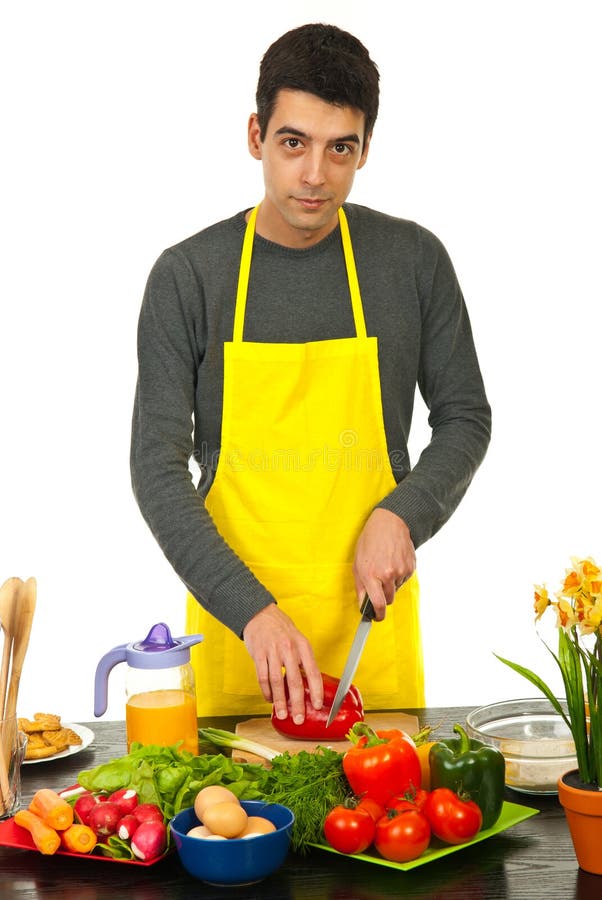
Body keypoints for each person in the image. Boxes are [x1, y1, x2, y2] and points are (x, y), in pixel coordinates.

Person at [130, 23, 491, 724]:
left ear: (365, 150)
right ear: (255, 135)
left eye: (340, 148)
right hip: (241, 646)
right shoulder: (189, 277)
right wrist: (253, 614)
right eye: (294, 142)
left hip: (370, 640)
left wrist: (402, 514)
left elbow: (466, 416)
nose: (315, 175)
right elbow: (155, 467)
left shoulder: (413, 263)